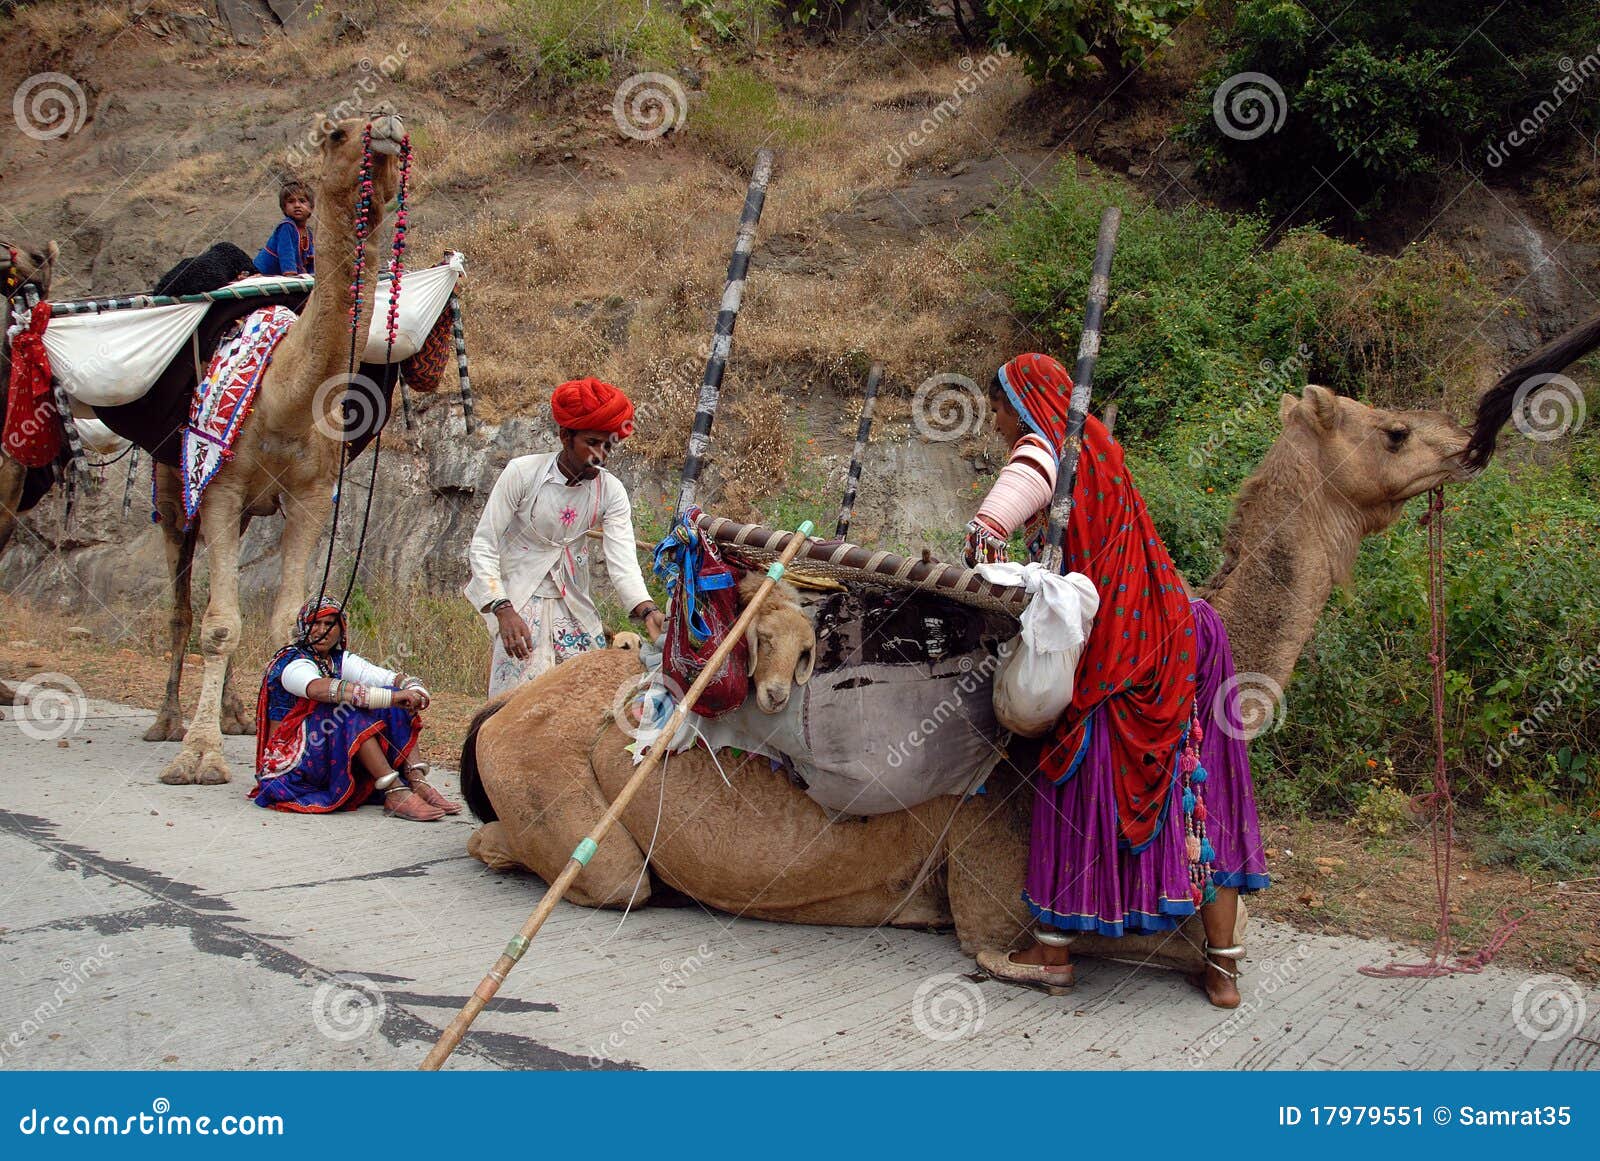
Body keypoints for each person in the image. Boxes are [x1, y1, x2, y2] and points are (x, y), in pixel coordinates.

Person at [964, 353, 1269, 1008]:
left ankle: (1051, 954)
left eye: (994, 409)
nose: (993, 424)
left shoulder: (1041, 452)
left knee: (1073, 779)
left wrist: (1010, 575)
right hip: (1186, 630)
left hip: (1125, 650)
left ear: (1020, 404)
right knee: (1199, 788)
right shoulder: (1096, 446)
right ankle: (1222, 970)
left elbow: (982, 540)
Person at [466, 377, 666, 697]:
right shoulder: (522, 473)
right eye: (591, 442)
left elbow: (622, 558)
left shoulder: (610, 491)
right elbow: (483, 544)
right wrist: (502, 609)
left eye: (607, 446)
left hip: (573, 604)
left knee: (581, 697)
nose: (600, 455)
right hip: (518, 599)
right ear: (564, 436)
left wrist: (646, 610)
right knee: (517, 703)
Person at [251, 598, 459, 821]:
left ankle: (416, 781)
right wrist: (391, 697)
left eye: (330, 624)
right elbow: (318, 689)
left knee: (394, 701)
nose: (322, 631)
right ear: (304, 628)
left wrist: (412, 689)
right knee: (345, 708)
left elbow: (385, 677)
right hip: (290, 763)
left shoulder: (337, 660)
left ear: (341, 628)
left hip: (322, 753)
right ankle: (395, 791)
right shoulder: (291, 660)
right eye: (315, 624)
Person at [253, 180, 315, 276]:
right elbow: (286, 254)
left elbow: (311, 259)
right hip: (262, 273)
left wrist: (314, 276)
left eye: (302, 201)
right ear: (284, 208)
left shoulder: (308, 233)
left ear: (311, 207)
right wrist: (291, 275)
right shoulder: (287, 226)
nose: (297, 205)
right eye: (291, 201)